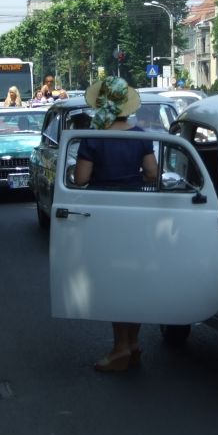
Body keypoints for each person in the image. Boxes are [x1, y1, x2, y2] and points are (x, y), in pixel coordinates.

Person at [74, 77, 158, 373]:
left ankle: (120, 347)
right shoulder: (140, 134)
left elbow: (81, 179)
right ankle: (132, 343)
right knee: (133, 278)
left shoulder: (93, 136)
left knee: (111, 279)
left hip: (103, 214)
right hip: (136, 211)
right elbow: (151, 173)